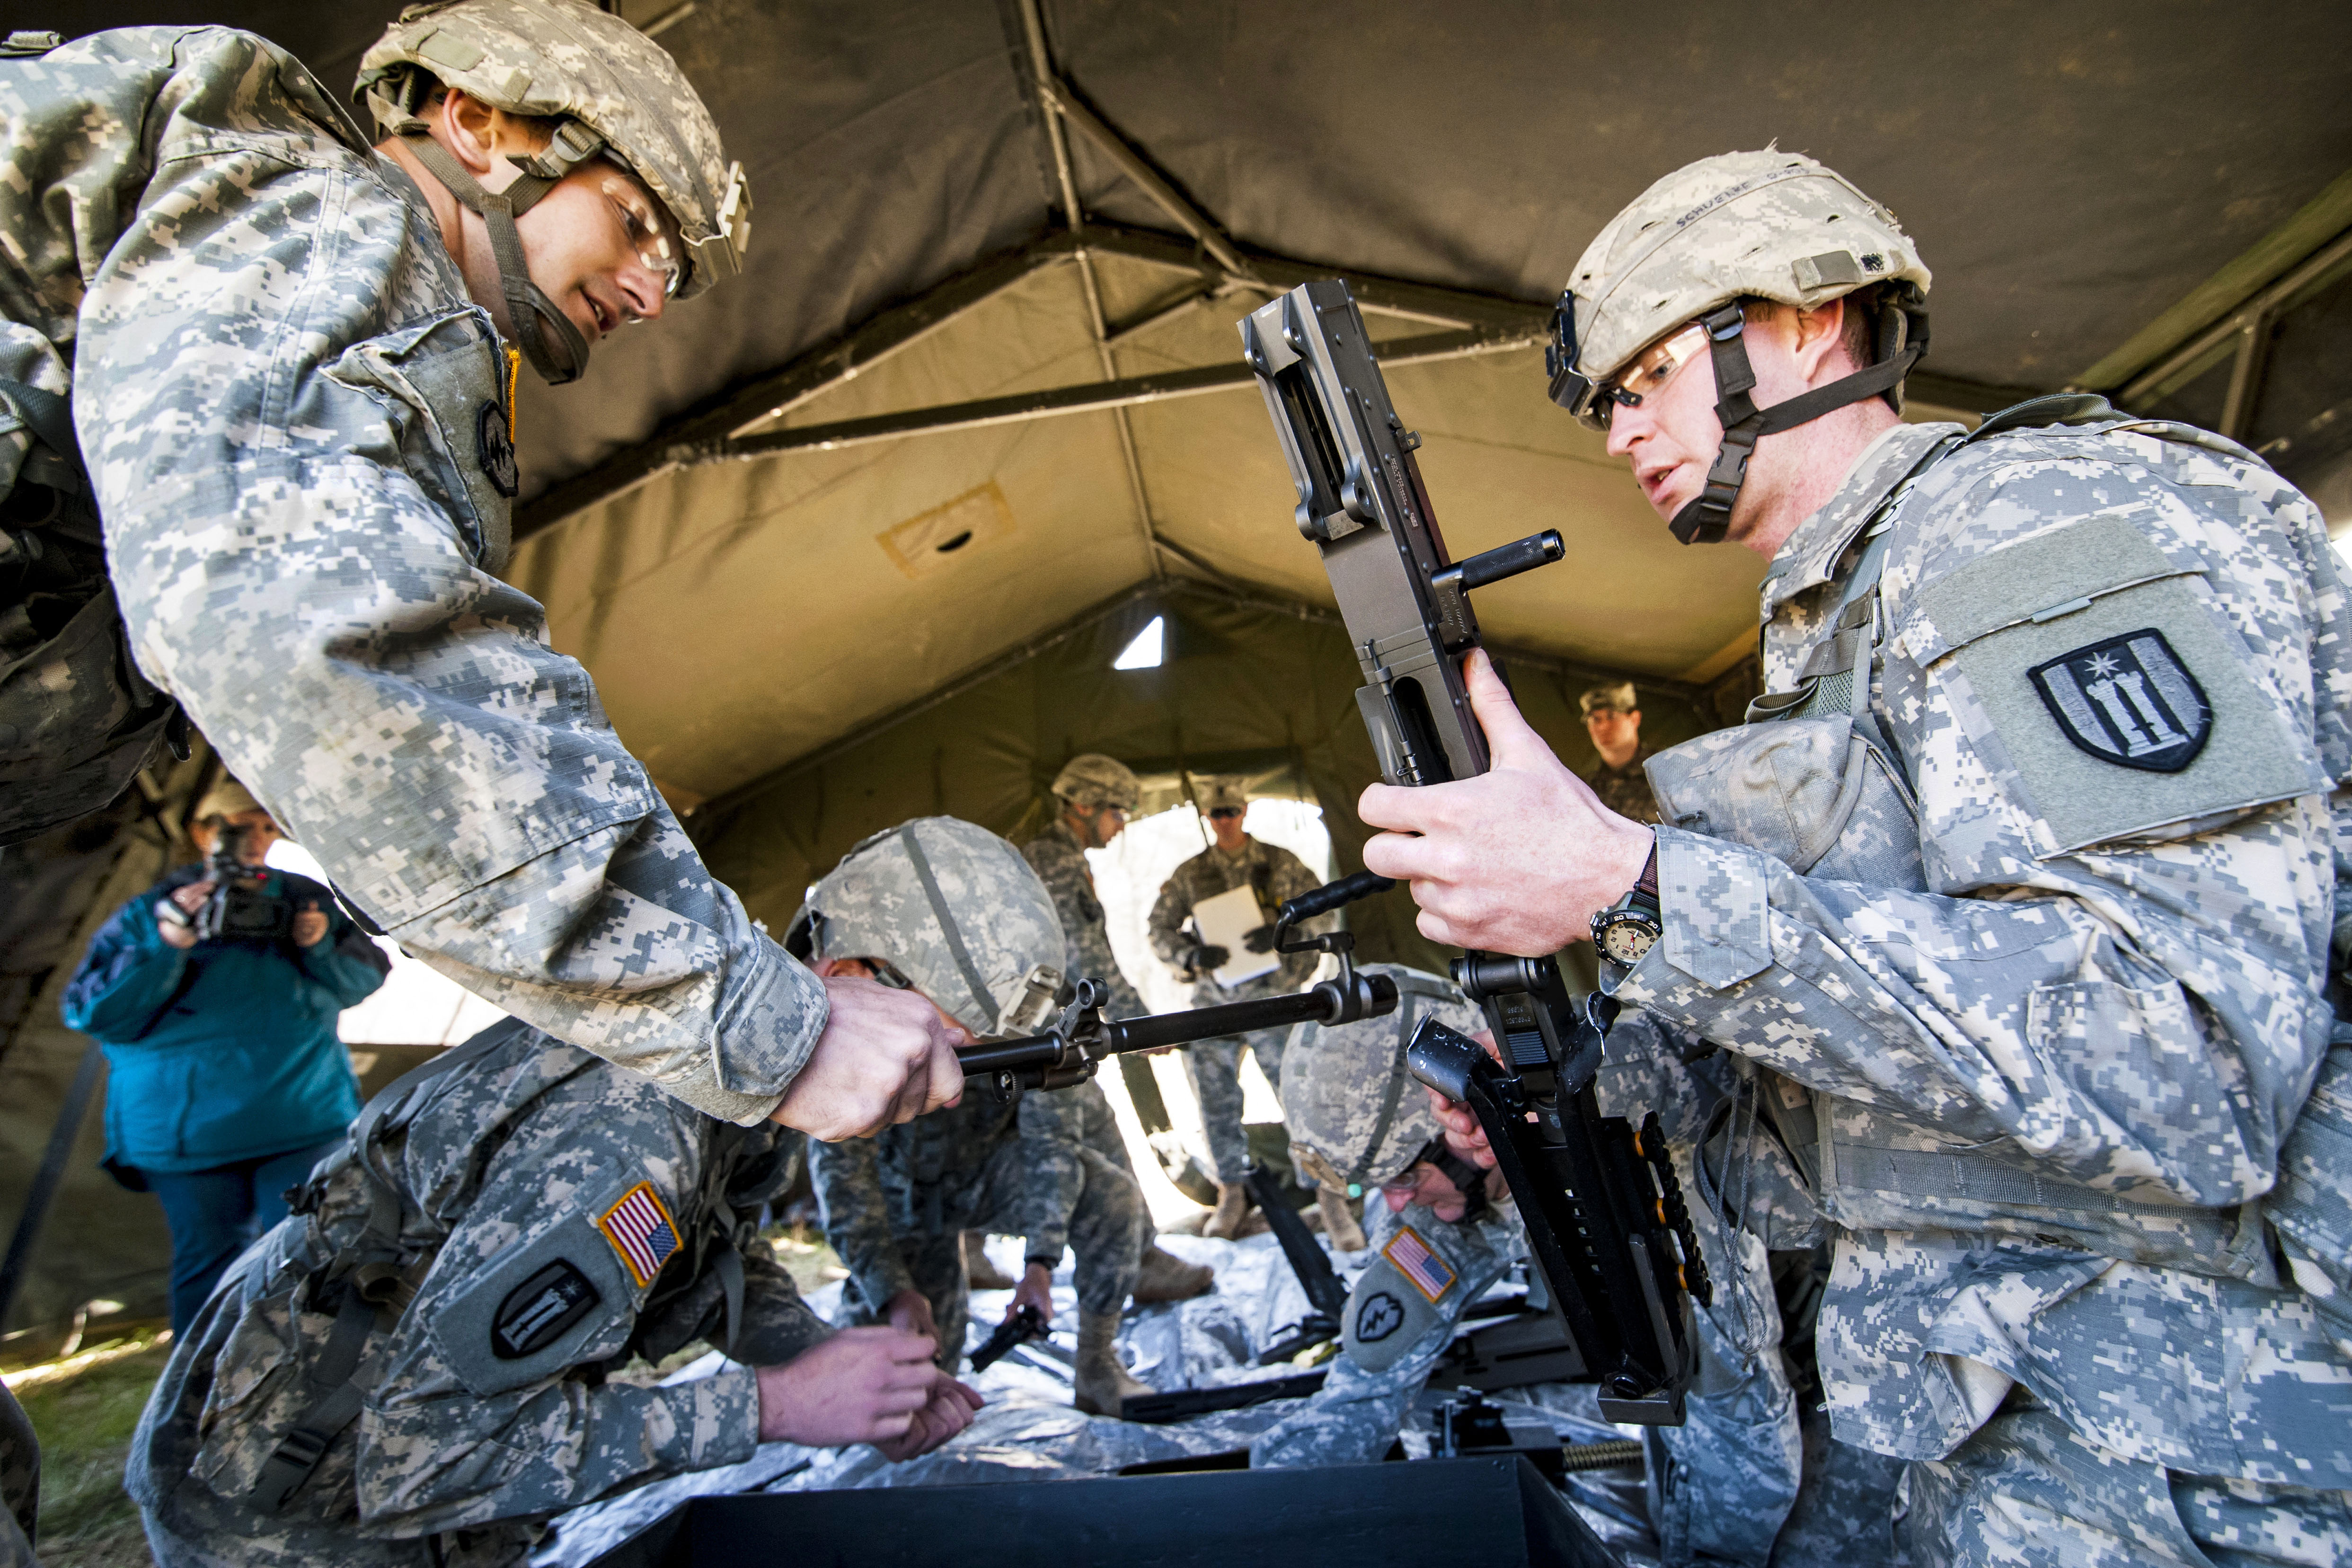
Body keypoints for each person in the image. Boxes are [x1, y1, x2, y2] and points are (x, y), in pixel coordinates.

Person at [1361, 147, 2352, 1565]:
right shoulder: (1843, 623)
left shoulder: (2035, 528)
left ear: (1809, 321)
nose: (1618, 434)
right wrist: (1575, 1076)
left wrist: (1632, 887)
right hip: (2007, 1433)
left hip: (2192, 1463)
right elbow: (1857, 1064)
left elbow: (2183, 1051)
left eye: (1645, 380)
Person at [0, 2, 958, 1143]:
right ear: (475, 126)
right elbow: (313, 625)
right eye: (638, 225)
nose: (652, 295)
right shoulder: (315, 215)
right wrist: (756, 1015)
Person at [127, 1010, 981, 1568]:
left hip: (401, 1477)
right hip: (284, 1501)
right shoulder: (635, 1127)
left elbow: (700, 1257)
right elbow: (425, 1446)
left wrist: (823, 1355)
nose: (939, 1091)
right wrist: (773, 1404)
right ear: (862, 981)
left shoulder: (738, 1069)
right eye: (935, 1046)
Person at [1255, 967, 1883, 1568]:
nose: (1392, 1203)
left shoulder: (1652, 1153)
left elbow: (1740, 1423)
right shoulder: (1442, 1198)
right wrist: (1260, 1520)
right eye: (1376, 1188)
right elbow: (1361, 1387)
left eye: (1400, 1176)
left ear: (1470, 1120)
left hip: (1840, 1366)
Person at [798, 817, 1173, 1417]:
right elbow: (847, 1190)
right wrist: (893, 1291)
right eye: (945, 1037)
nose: (951, 1088)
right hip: (900, 1209)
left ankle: (1097, 1366)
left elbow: (1051, 1142)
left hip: (980, 1174)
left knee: (1114, 1198)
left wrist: (1039, 1265)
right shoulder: (837, 1029)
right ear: (852, 975)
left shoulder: (1018, 996)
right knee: (912, 1379)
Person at [61, 777, 389, 1332]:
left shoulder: (304, 898)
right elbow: (94, 1013)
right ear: (202, 831)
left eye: (266, 825)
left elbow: (362, 981)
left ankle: (306, 1383)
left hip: (298, 1117)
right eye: (238, 827)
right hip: (187, 1134)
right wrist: (167, 944)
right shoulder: (152, 914)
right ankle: (200, 1396)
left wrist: (316, 945)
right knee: (209, 1268)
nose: (256, 839)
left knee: (309, 1254)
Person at [1017, 754, 1214, 1298]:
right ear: (1082, 806)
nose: (1122, 823)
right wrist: (1138, 1022)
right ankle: (1136, 1259)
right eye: (1116, 811)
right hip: (1037, 1034)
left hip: (1035, 1030)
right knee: (1095, 1138)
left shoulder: (1045, 857)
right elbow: (1087, 960)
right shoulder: (1054, 863)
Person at [1145, 778, 1324, 1238]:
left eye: (1232, 812)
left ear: (1244, 812)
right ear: (1208, 817)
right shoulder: (1191, 873)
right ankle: (1231, 1194)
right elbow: (1159, 928)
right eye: (1217, 814)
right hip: (1215, 1005)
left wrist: (1281, 933)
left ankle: (1326, 1194)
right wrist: (1190, 956)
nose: (1225, 821)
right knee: (1214, 1102)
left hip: (1272, 1000)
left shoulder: (1278, 862)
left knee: (1299, 1095)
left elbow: (1320, 910)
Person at [1578, 681, 1661, 824]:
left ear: (1635, 719)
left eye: (1612, 716)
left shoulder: (1664, 773)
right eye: (1596, 719)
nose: (1603, 726)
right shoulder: (1584, 788)